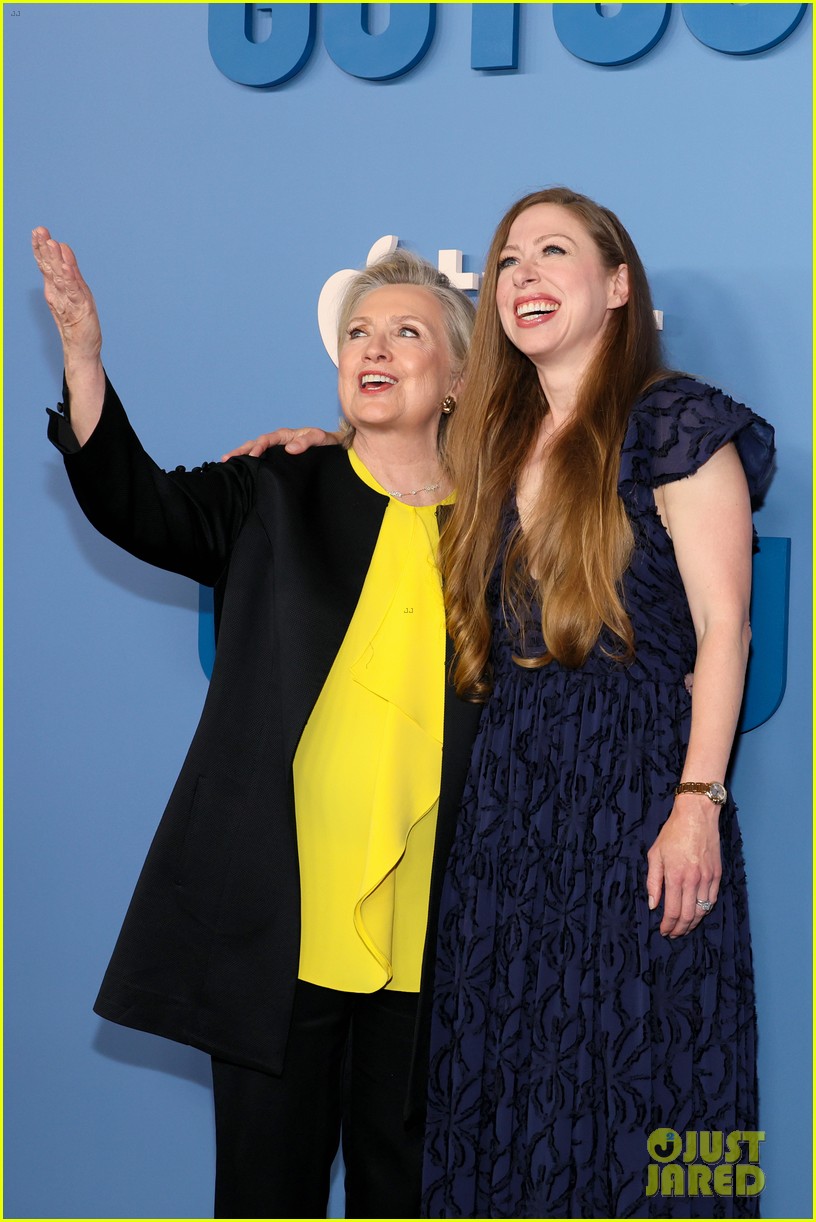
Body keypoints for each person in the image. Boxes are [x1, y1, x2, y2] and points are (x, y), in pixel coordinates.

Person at [32, 228, 481, 1219]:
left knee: (406, 1196)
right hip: (281, 934)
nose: (372, 347)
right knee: (266, 1197)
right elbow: (137, 508)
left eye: (407, 331)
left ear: (457, 378)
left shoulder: (503, 532)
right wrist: (86, 357)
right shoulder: (277, 488)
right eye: (358, 332)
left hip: (436, 939)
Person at [419, 188, 775, 1218]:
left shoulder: (675, 422)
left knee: (667, 1084)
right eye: (508, 260)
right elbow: (380, 463)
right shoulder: (482, 448)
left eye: (554, 252)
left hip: (640, 803)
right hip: (507, 819)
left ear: (619, 287)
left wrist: (697, 801)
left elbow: (725, 630)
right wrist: (300, 444)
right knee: (508, 1089)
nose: (523, 274)